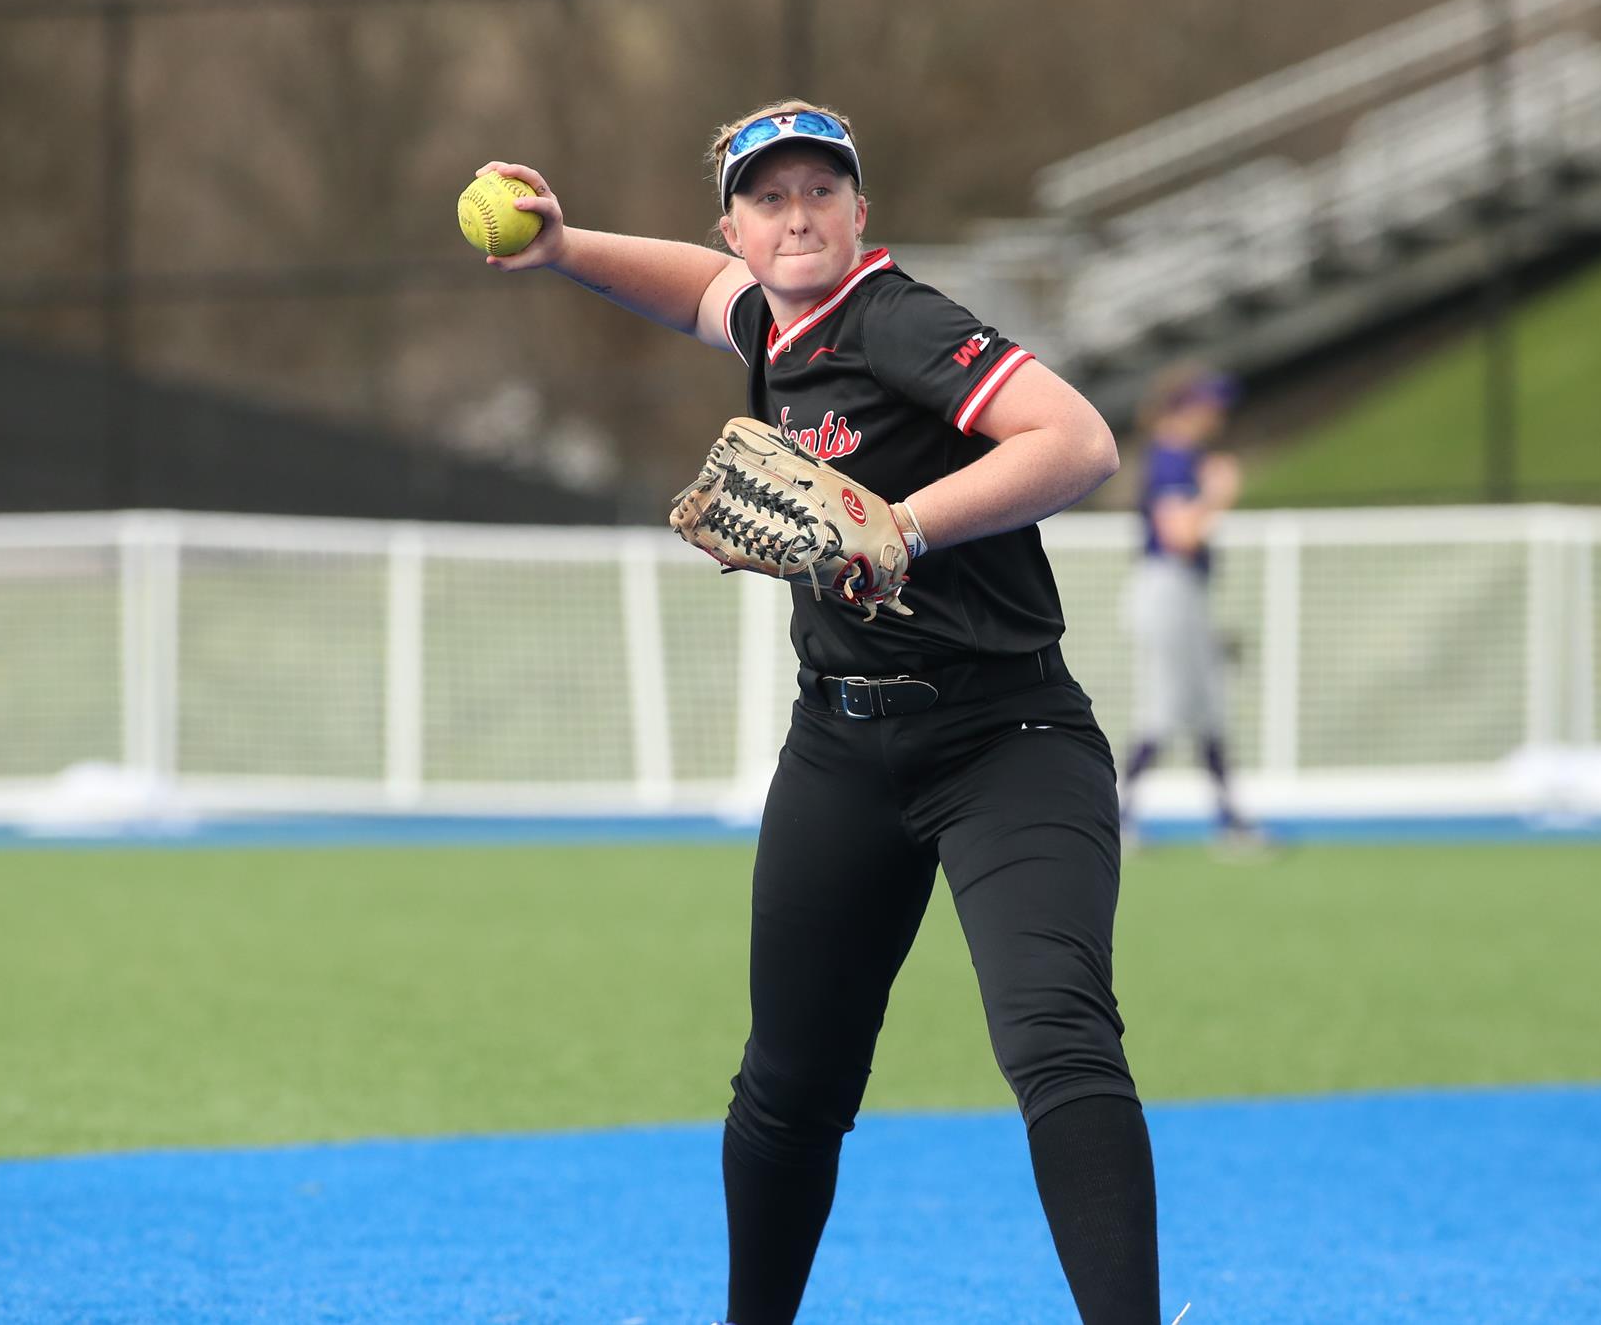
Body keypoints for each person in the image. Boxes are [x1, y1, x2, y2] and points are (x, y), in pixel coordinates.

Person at [477, 100, 1162, 1325]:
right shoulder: (774, 321)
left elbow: (1079, 438)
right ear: (736, 225)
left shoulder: (895, 319)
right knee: (788, 1086)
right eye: (768, 197)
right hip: (841, 748)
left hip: (1006, 737)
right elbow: (699, 294)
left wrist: (904, 521)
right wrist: (568, 249)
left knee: (1056, 1035)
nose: (796, 216)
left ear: (861, 212)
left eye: (818, 192)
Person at [1119, 362, 1262, 852]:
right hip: (1169, 589)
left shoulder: (1176, 457)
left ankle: (1228, 820)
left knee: (1203, 705)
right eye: (1208, 402)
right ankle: (1121, 817)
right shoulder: (1174, 458)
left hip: (1178, 592)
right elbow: (1179, 536)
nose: (1217, 413)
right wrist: (1218, 496)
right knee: (1169, 705)